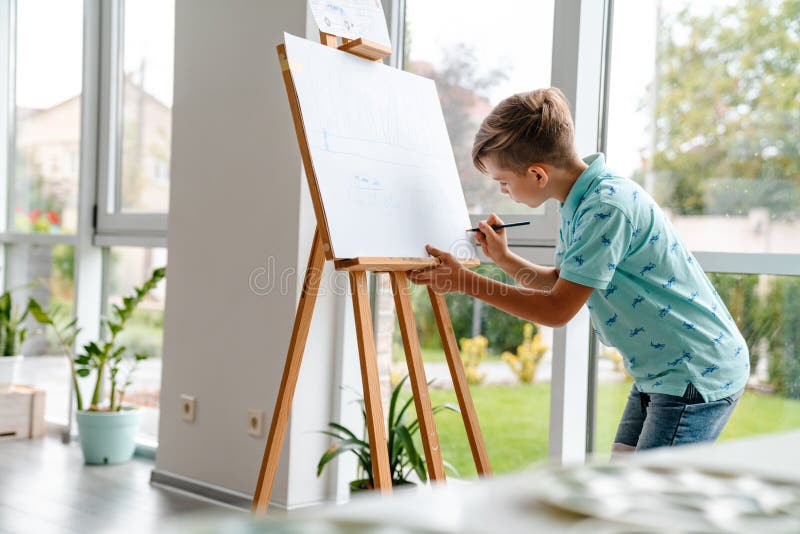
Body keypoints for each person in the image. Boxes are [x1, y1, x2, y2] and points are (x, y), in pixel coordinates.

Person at [408, 87, 748, 454]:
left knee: (646, 502)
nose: (504, 192)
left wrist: (465, 282)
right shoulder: (582, 201)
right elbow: (562, 281)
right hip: (662, 370)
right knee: (624, 477)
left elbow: (557, 309)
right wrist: (504, 259)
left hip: (694, 371)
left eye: (503, 182)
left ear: (537, 174)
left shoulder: (605, 208)